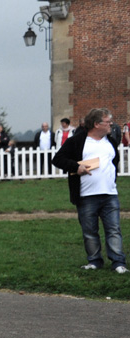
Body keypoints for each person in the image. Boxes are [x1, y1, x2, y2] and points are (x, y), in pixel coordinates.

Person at [51, 108, 127, 274]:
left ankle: (118, 262)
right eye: (107, 122)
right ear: (96, 124)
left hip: (110, 194)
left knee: (114, 230)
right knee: (90, 232)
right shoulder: (77, 141)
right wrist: (76, 167)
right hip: (86, 195)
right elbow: (58, 159)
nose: (111, 124)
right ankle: (94, 261)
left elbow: (114, 163)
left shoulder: (110, 141)